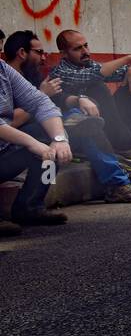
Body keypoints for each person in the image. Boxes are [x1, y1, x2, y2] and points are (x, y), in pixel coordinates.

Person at [5, 31, 131, 206]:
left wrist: (76, 101)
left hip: (44, 131)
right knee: (63, 136)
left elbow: (50, 102)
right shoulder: (7, 76)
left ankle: (34, 206)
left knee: (83, 128)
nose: (44, 57)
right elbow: (10, 122)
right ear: (22, 53)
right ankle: (116, 181)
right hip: (12, 141)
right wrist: (43, 96)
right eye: (39, 52)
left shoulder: (26, 75)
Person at [47, 29, 131, 163]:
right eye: (78, 48)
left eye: (86, 45)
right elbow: (97, 74)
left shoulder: (87, 64)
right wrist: (129, 59)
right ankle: (126, 146)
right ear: (63, 54)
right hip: (82, 127)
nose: (85, 51)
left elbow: (119, 72)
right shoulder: (61, 71)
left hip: (106, 119)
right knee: (98, 87)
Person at [0, 53, 72, 227]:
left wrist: (59, 139)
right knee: (39, 144)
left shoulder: (3, 69)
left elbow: (40, 102)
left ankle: (31, 206)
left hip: (4, 152)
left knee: (53, 140)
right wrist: (32, 143)